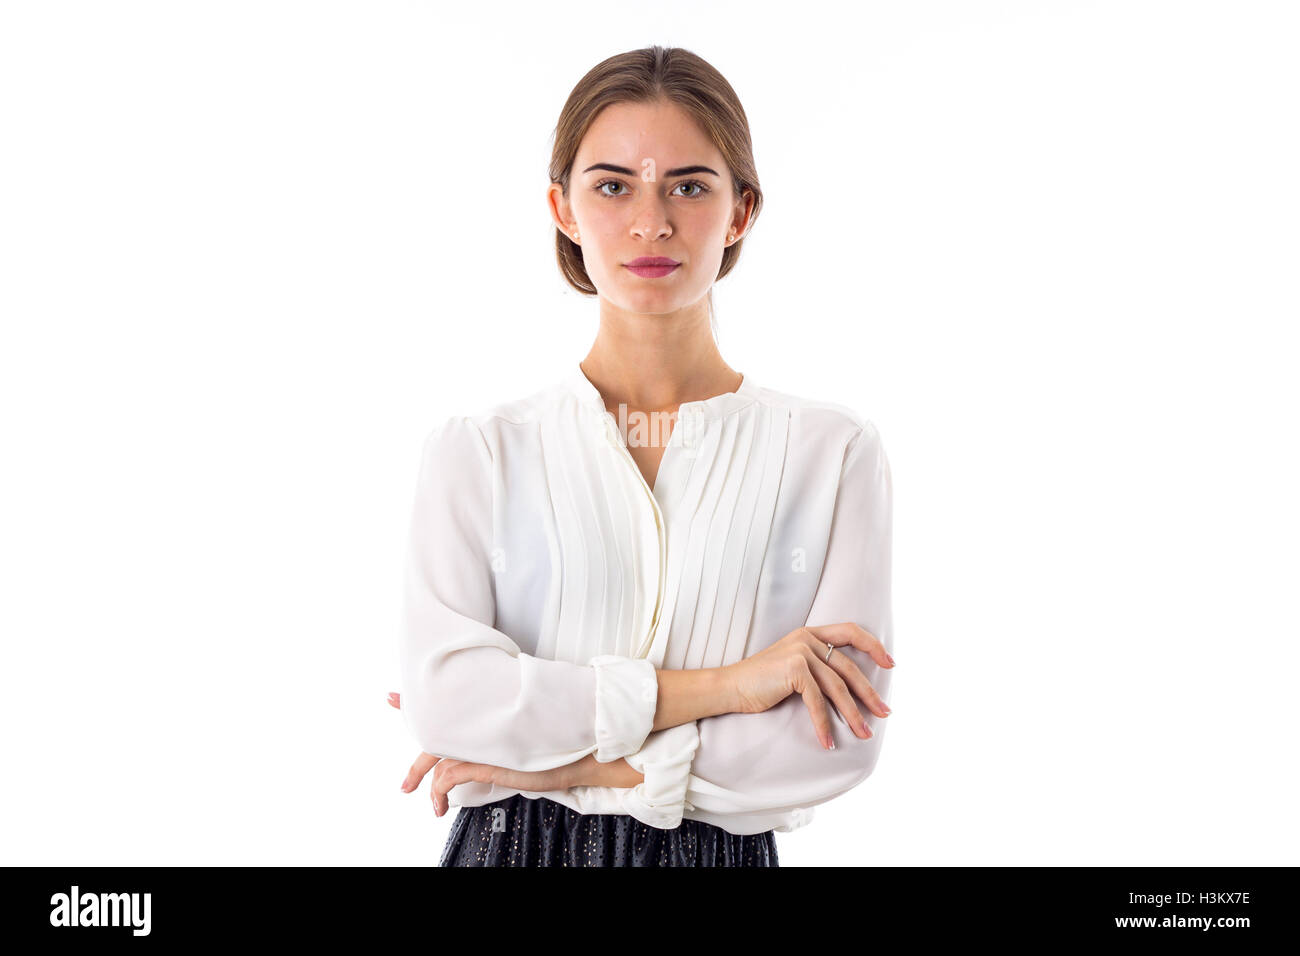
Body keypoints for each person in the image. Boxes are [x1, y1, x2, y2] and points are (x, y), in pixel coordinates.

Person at [388, 44, 896, 867]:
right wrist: (731, 688)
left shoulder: (832, 456)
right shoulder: (477, 453)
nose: (650, 222)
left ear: (740, 212)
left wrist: (555, 766)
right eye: (613, 185)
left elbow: (831, 740)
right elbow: (448, 705)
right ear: (563, 207)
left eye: (689, 186)